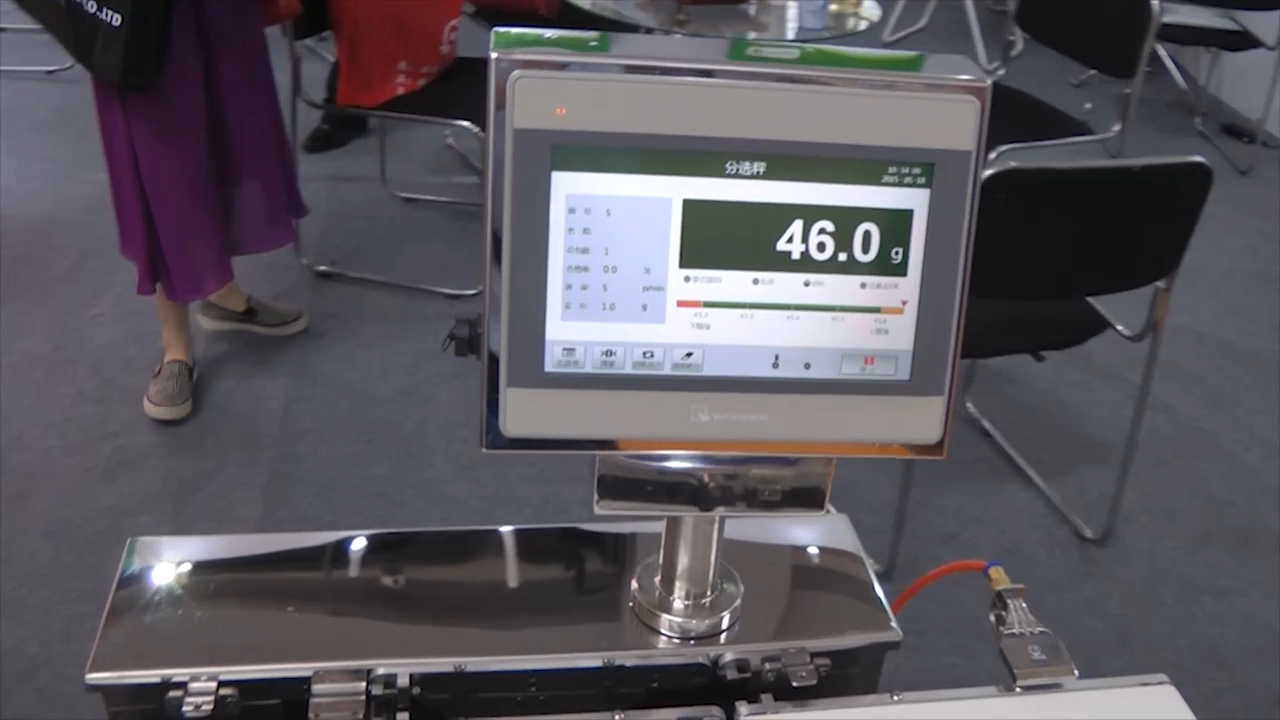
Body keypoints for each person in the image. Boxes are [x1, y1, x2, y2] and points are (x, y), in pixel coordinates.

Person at [93, 0, 309, 422]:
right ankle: (175, 345)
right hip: (137, 14)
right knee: (160, 165)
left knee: (232, 131)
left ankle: (222, 292)